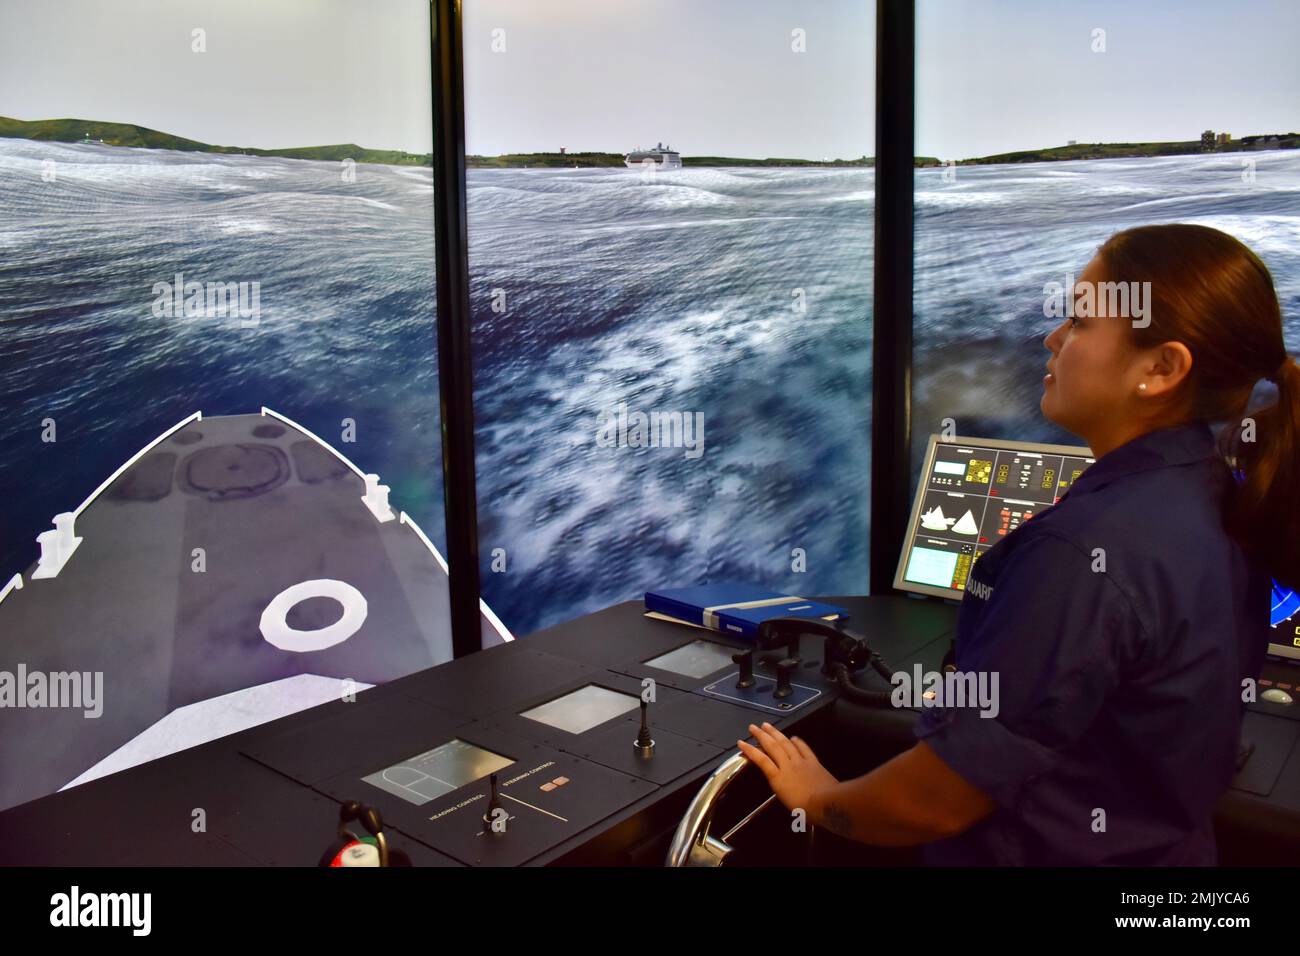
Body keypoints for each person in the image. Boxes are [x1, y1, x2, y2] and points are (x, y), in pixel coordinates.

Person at [738, 223, 1298, 865]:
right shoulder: (1219, 496)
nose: (1052, 338)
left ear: (1161, 368)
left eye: (1082, 321)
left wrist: (817, 801)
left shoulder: (1083, 552)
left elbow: (935, 802)